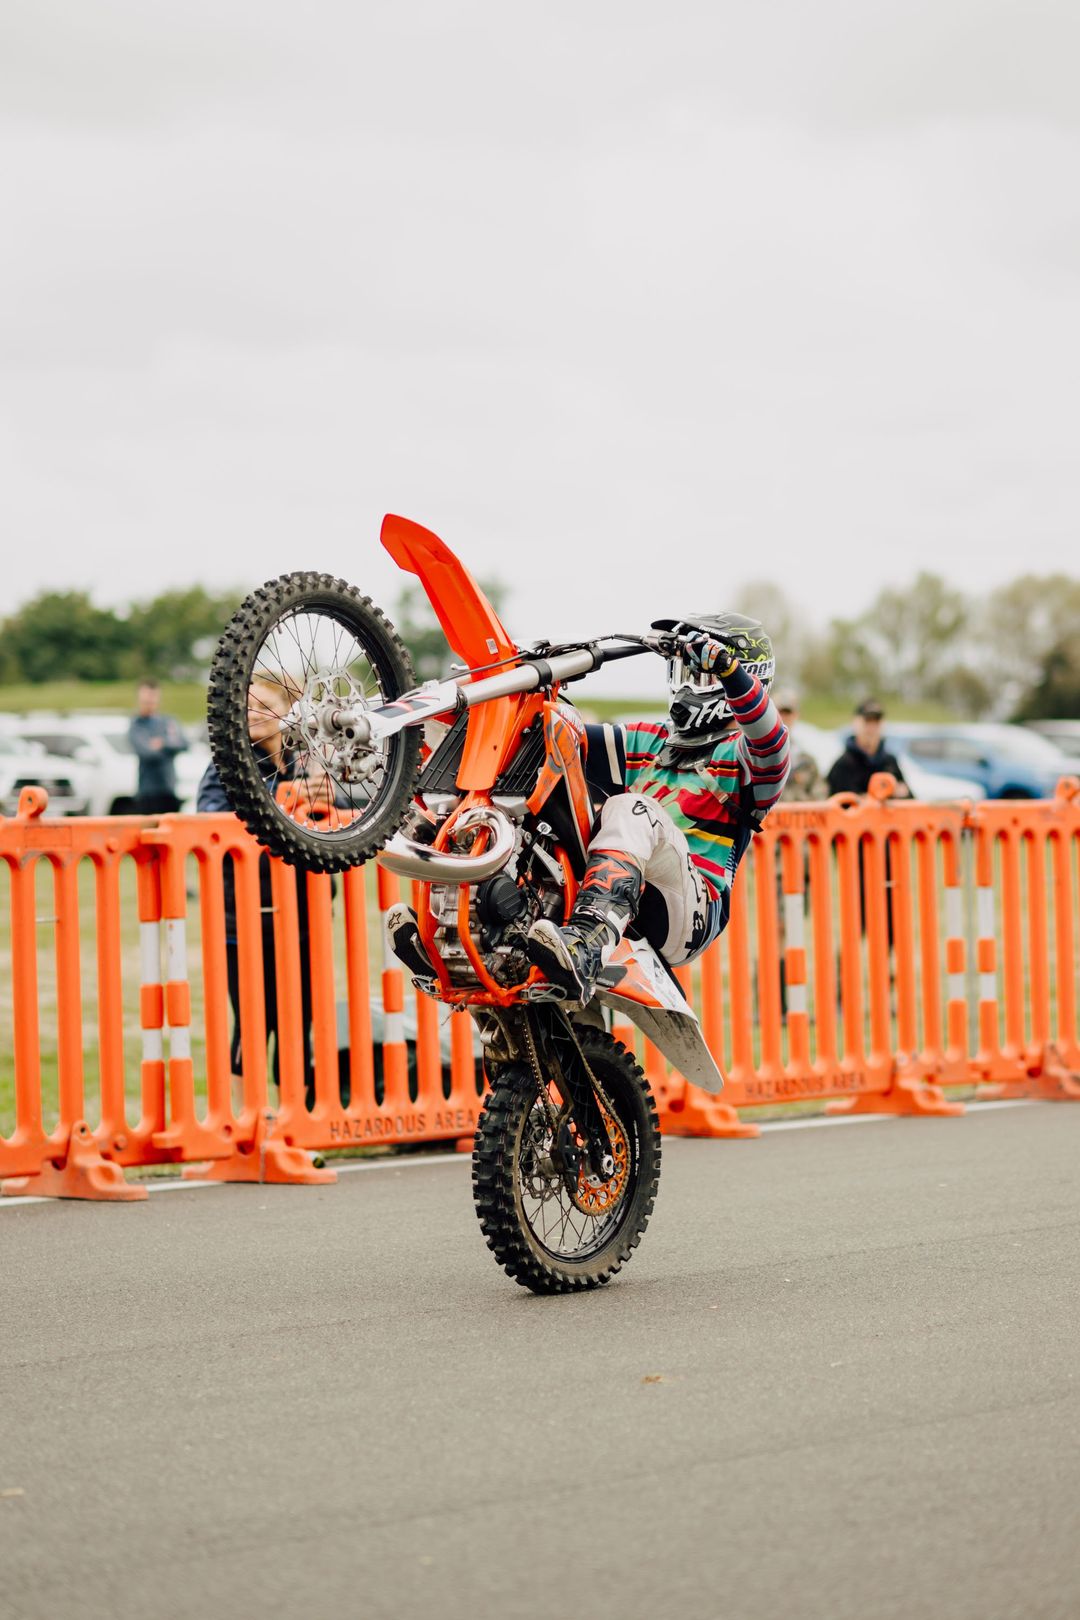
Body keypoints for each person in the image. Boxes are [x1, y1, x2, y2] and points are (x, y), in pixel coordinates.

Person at [523, 615, 791, 1002]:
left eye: (699, 676)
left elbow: (772, 740)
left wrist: (729, 672)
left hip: (690, 911)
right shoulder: (652, 740)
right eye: (682, 672)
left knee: (631, 808)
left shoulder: (746, 758)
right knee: (546, 787)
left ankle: (588, 945)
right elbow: (563, 737)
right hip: (635, 898)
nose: (685, 688)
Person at [197, 678, 318, 1105]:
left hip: (303, 916)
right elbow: (210, 816)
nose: (252, 714)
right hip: (244, 916)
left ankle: (294, 1118)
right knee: (251, 1018)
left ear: (287, 712)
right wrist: (285, 799)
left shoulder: (308, 763)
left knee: (298, 1019)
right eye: (247, 706)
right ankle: (247, 1118)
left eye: (264, 706)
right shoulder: (226, 763)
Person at [129, 679, 188, 814]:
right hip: (147, 793)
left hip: (169, 789)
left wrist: (162, 743)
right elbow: (147, 752)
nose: (149, 702)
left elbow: (184, 743)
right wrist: (170, 747)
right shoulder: (136, 724)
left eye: (152, 697)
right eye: (146, 698)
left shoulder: (168, 721)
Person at [774, 690, 826, 801]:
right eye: (779, 712)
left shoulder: (806, 761)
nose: (783, 717)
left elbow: (820, 796)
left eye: (787, 713)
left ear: (796, 715)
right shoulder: (756, 755)